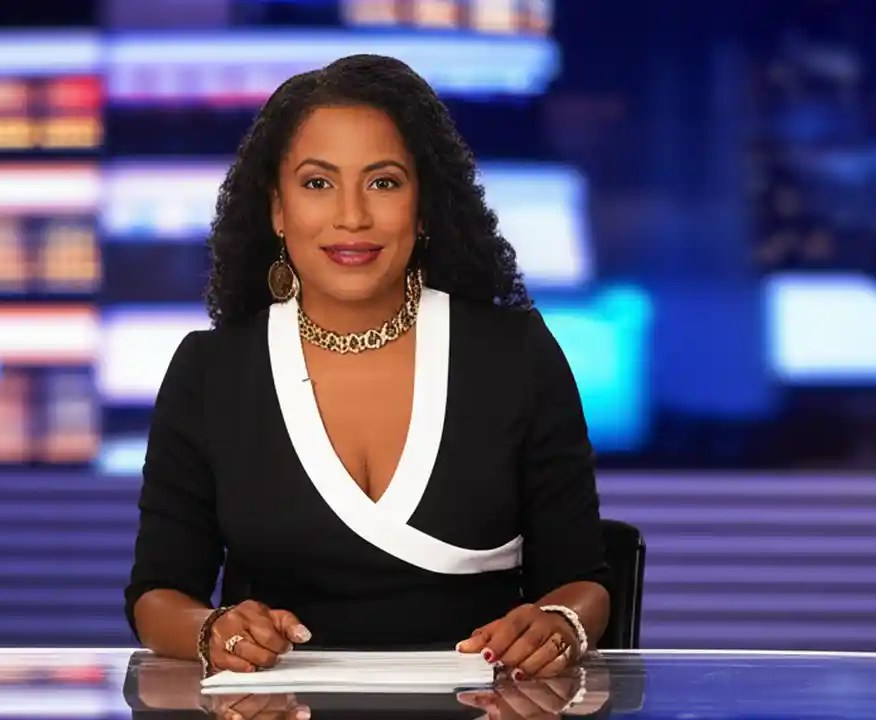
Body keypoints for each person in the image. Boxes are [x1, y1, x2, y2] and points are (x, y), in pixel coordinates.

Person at [125, 53, 611, 681]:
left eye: (383, 182)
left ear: (424, 205)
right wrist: (213, 630)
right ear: (277, 208)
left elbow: (584, 583)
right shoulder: (210, 372)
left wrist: (561, 624)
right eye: (317, 183)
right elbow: (157, 596)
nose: (351, 216)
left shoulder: (515, 354)